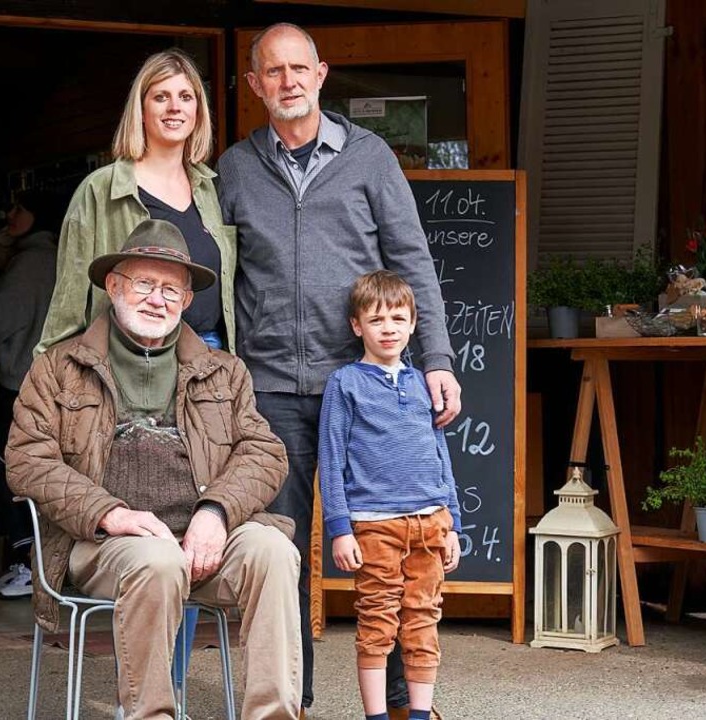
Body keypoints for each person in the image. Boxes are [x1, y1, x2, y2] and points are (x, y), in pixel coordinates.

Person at [217, 22, 461, 719]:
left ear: (321, 75)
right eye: (273, 71)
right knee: (281, 556)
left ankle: (394, 707)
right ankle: (291, 700)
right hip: (268, 387)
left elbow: (413, 264)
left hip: (371, 388)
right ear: (254, 82)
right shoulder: (234, 169)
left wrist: (435, 360)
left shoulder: (369, 157)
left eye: (300, 68)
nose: (288, 81)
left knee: (390, 552)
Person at [6, 219, 302, 719]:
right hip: (104, 545)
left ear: (187, 301)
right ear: (114, 287)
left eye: (170, 289)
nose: (156, 299)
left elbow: (264, 452)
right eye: (144, 284)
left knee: (272, 549)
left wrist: (216, 511)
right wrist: (111, 514)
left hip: (205, 541)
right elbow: (27, 459)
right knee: (156, 562)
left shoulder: (223, 370)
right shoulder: (58, 368)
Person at [319, 271, 462, 720]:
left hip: (431, 521)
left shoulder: (424, 383)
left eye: (399, 318)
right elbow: (331, 456)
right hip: (374, 524)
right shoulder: (345, 383)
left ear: (414, 324)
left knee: (423, 619)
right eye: (376, 319)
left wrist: (453, 521)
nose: (388, 328)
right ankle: (377, 716)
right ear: (356, 326)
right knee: (377, 622)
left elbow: (441, 454)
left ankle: (418, 714)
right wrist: (339, 529)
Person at [37, 48, 235, 355]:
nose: (174, 107)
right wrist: (51, 374)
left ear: (198, 109)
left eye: (186, 97)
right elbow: (69, 299)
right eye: (160, 97)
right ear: (141, 109)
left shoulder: (211, 189)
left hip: (206, 356)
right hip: (125, 356)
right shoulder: (101, 189)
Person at [0, 188, 62, 598]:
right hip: (42, 379)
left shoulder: (32, 262)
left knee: (5, 465)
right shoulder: (44, 255)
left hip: (24, 380)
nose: (10, 213)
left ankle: (28, 562)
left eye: (20, 208)